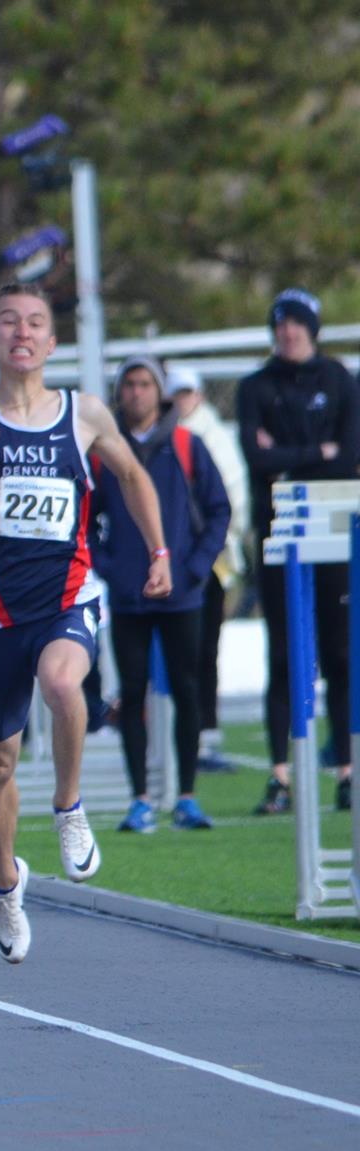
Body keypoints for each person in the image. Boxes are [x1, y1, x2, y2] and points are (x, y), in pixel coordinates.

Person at [0, 284, 170, 965]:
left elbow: (133, 476)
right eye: (7, 322)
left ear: (52, 343)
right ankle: (7, 883)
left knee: (65, 687)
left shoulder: (83, 414)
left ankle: (68, 807)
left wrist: (158, 551)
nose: (21, 332)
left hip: (68, 598)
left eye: (35, 323)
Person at [95, 356, 231, 833]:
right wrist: (110, 568)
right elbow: (82, 519)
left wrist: (193, 568)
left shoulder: (186, 444)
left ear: (161, 392)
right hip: (129, 595)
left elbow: (220, 510)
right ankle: (140, 800)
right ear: (119, 393)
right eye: (129, 385)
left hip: (182, 594)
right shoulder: (103, 452)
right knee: (131, 694)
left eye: (145, 384)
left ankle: (187, 797)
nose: (136, 393)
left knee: (187, 690)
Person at [237, 288, 360, 815]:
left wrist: (290, 459)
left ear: (312, 329)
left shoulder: (339, 381)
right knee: (285, 656)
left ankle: (348, 770)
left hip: (334, 535)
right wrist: (318, 452)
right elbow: (255, 459)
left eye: (297, 325)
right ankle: (280, 775)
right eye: (280, 326)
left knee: (340, 653)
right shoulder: (255, 386)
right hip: (280, 537)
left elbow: (350, 454)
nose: (288, 334)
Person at [165, 364, 249, 771]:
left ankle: (205, 735)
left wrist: (203, 557)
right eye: (174, 393)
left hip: (206, 563)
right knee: (175, 657)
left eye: (186, 393)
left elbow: (228, 502)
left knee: (203, 651)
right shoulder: (159, 437)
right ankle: (178, 737)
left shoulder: (210, 438)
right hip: (167, 563)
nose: (181, 400)